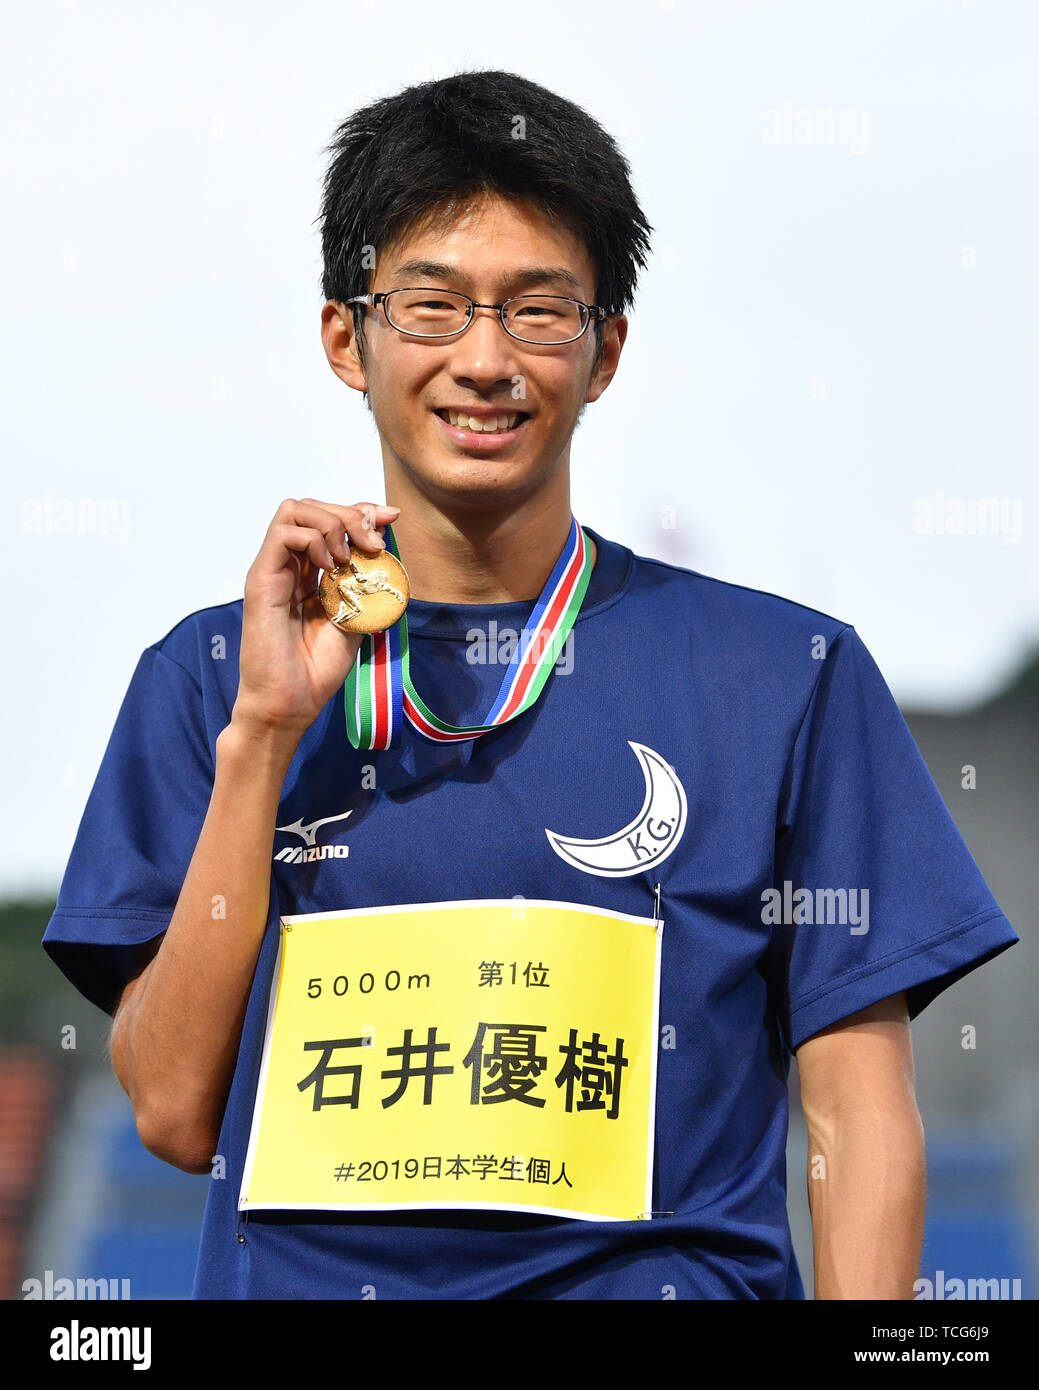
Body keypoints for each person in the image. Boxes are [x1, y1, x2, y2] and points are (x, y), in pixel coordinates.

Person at [44, 69, 1018, 1301]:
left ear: (605, 349)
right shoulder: (215, 678)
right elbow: (178, 1114)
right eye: (433, 306)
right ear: (348, 337)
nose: (487, 360)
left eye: (539, 312)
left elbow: (856, 1107)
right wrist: (263, 741)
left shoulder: (785, 678)